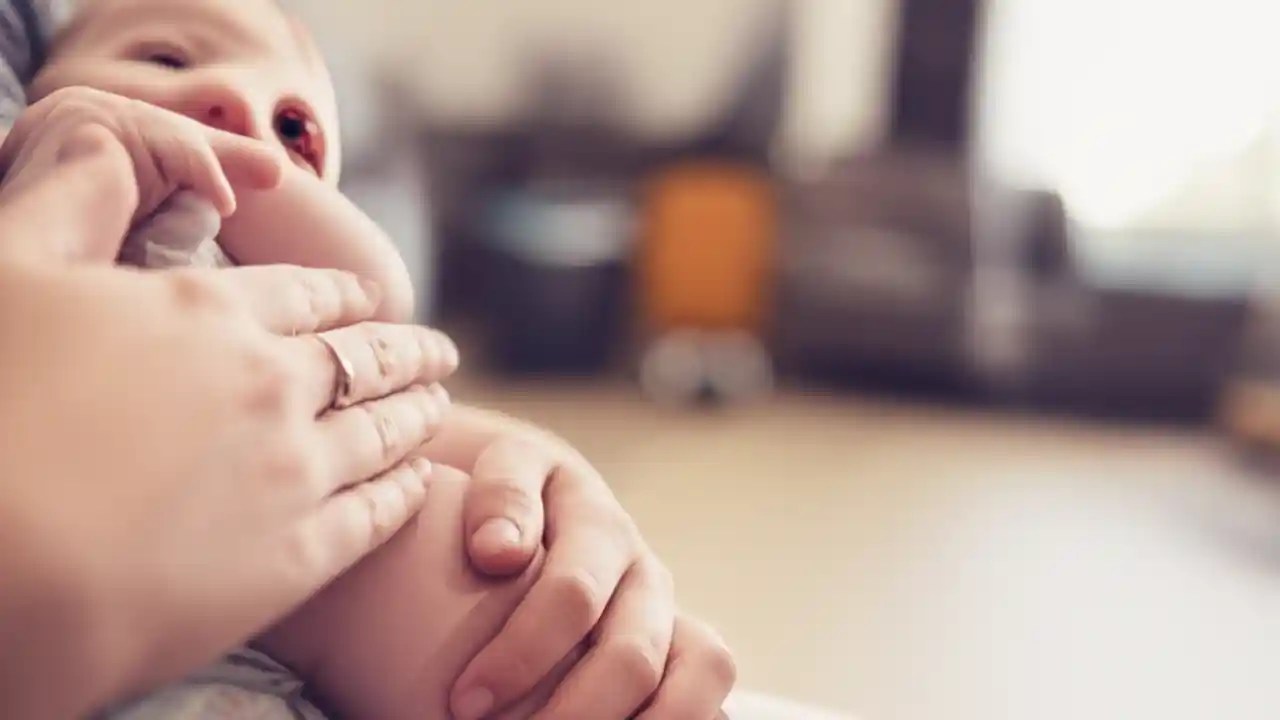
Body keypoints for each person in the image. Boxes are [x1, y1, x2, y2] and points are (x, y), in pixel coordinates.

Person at [0, 0, 735, 717]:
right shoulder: (49, 194)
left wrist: (524, 460)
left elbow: (377, 299)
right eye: (164, 57)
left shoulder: (269, 275)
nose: (230, 95)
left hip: (266, 648)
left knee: (464, 549)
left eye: (295, 127)